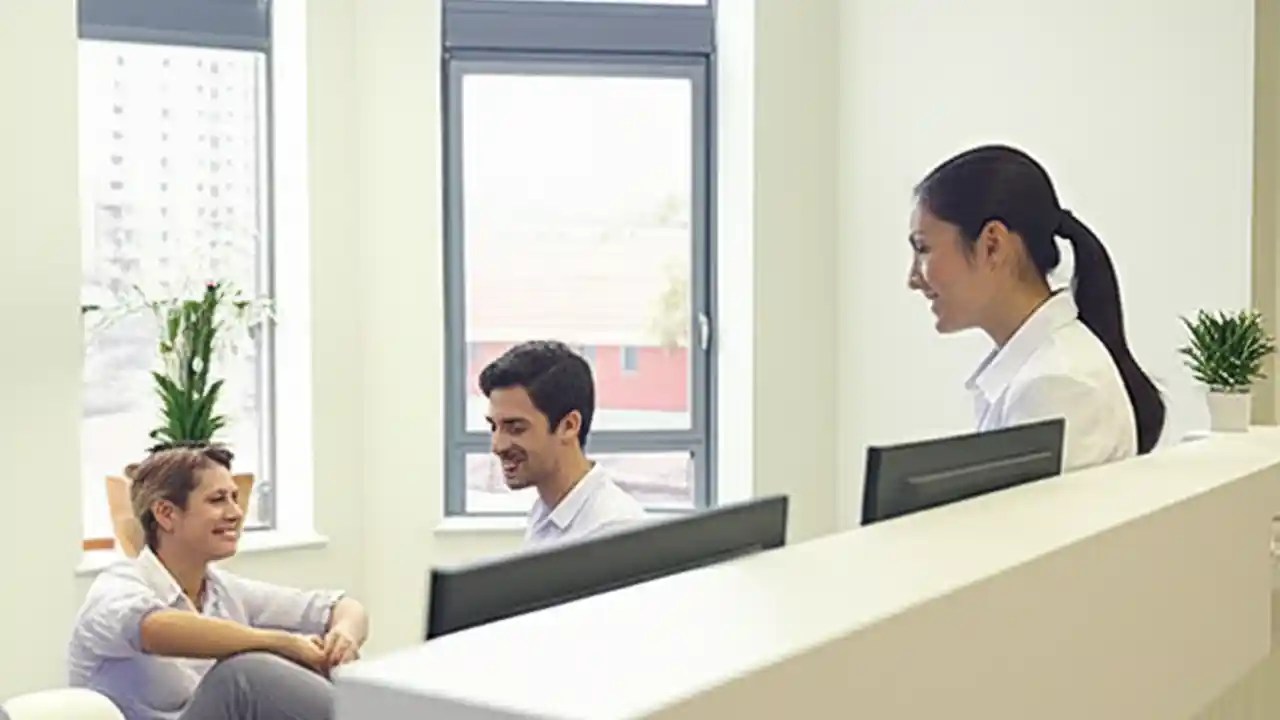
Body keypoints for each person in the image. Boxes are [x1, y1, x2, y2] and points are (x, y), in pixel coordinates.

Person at [907, 144, 1165, 471]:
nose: (913, 278)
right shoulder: (1041, 372)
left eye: (923, 249)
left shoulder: (1057, 385)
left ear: (992, 245)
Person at [68, 443, 369, 720]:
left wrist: (344, 636)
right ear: (166, 514)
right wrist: (283, 643)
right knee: (244, 675)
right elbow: (153, 627)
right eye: (217, 500)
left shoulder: (222, 591)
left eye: (235, 498)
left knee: (304, 666)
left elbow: (341, 606)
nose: (236, 513)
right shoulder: (117, 587)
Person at [479, 340, 647, 547]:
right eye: (494, 427)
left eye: (516, 428)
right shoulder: (544, 513)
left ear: (569, 426)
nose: (498, 446)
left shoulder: (614, 530)